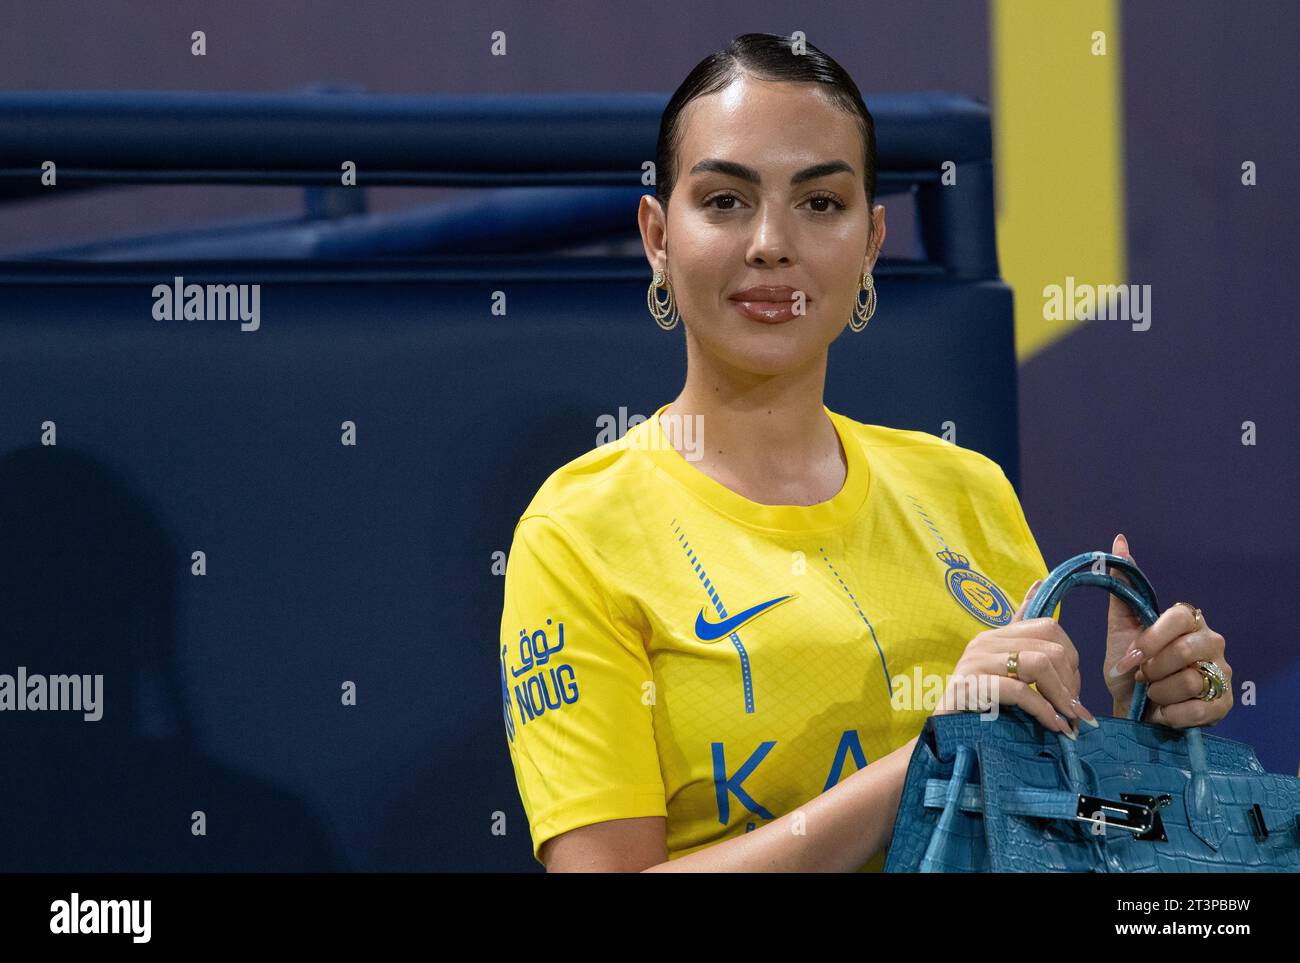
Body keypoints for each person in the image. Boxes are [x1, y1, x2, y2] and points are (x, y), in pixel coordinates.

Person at [498, 32, 1233, 873]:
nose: (771, 242)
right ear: (659, 237)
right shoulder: (576, 532)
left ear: (872, 242)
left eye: (820, 203)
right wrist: (934, 753)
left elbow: (1053, 823)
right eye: (726, 200)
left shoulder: (967, 489)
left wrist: (1137, 733)